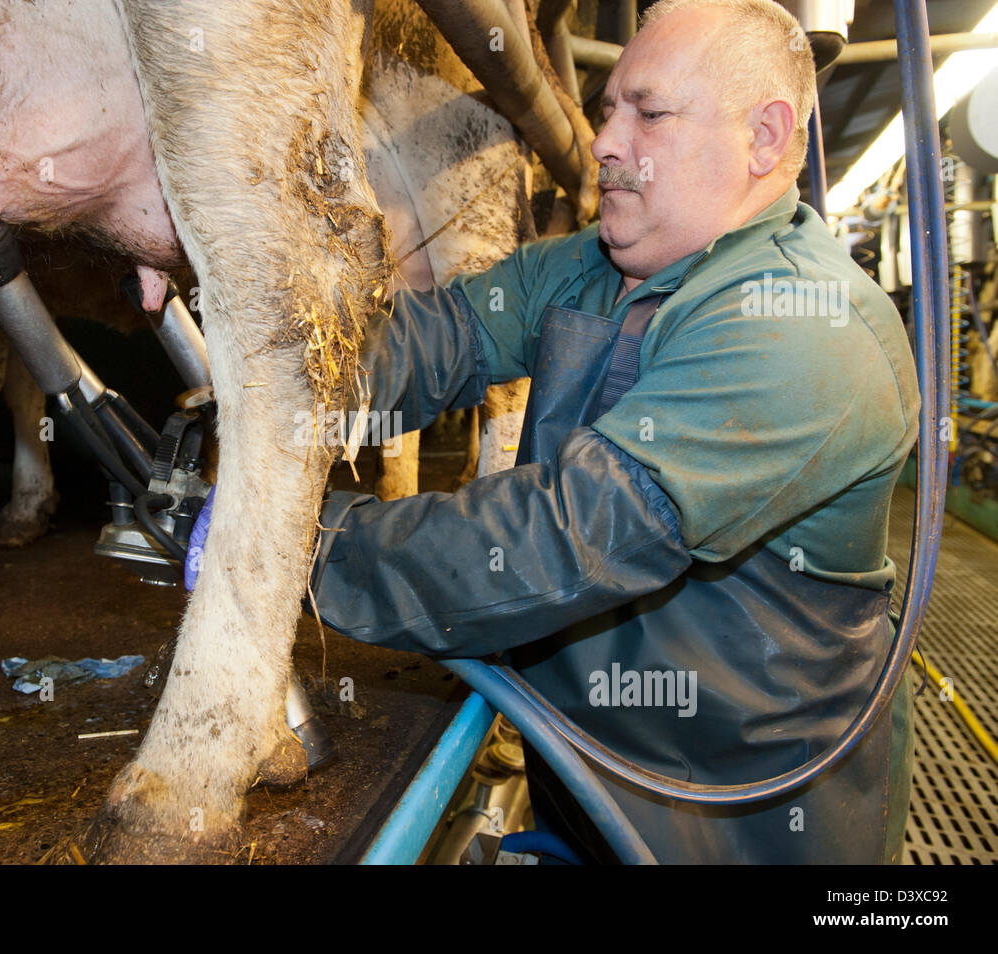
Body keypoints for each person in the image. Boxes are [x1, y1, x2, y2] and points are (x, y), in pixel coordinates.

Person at [189, 0, 920, 862]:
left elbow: (573, 535)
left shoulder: (808, 328)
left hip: (739, 823)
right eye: (609, 108)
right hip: (589, 775)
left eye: (648, 113)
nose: (606, 140)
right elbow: (445, 339)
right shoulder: (593, 264)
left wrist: (291, 545)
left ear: (765, 138)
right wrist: (271, 397)